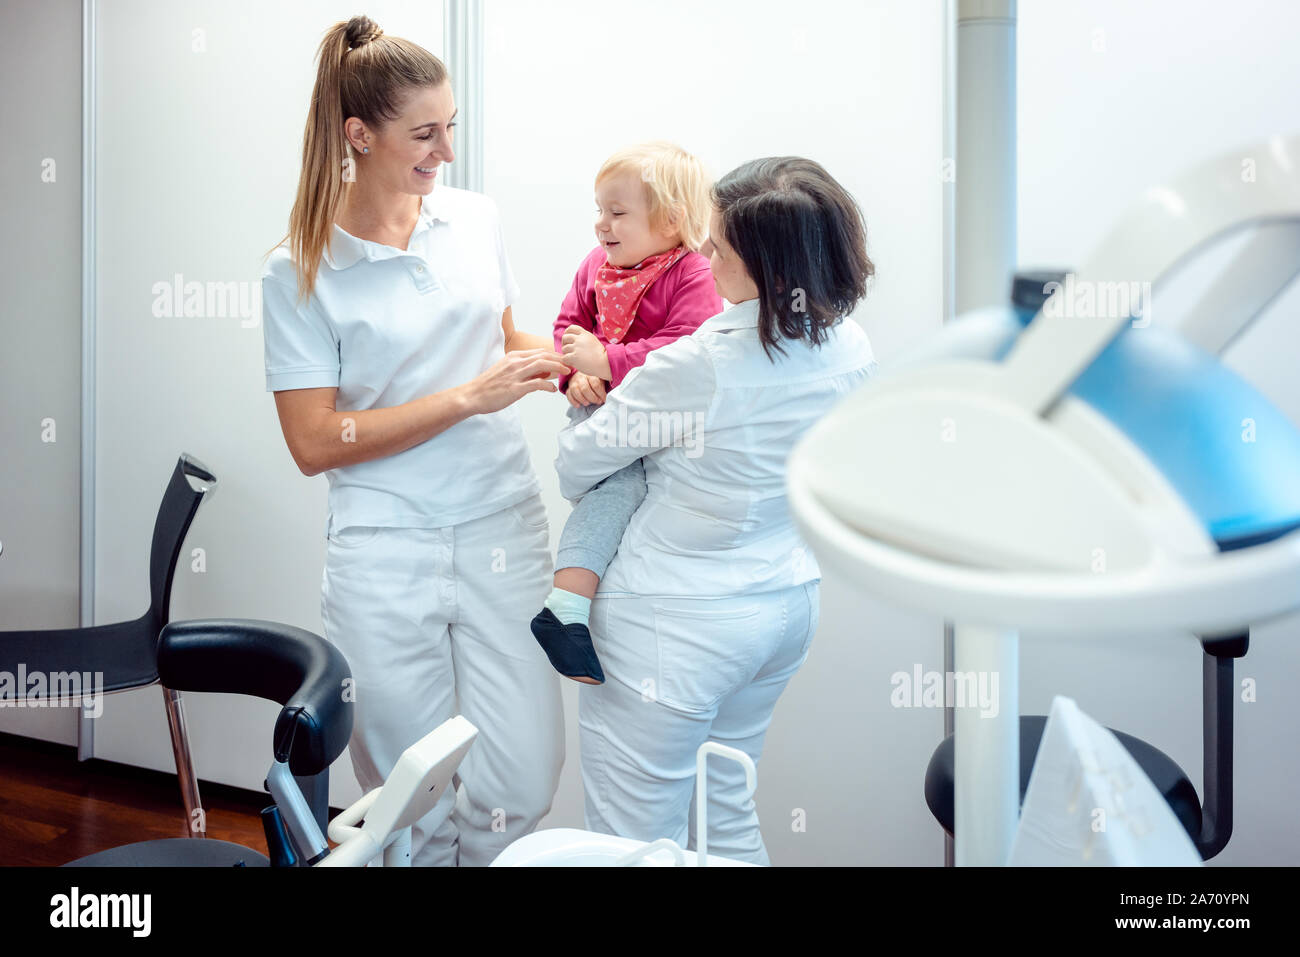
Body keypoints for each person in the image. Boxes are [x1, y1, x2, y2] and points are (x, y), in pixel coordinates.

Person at [260, 15, 567, 866]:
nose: (446, 152)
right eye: (424, 134)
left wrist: (589, 364)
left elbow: (505, 337)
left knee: (525, 779)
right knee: (411, 795)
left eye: (451, 128)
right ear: (359, 135)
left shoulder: (473, 220)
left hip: (501, 523)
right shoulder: (300, 269)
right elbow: (315, 440)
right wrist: (467, 397)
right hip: (384, 548)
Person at [555, 156, 879, 864]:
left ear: (767, 265)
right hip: (780, 613)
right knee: (725, 815)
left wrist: (587, 391)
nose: (702, 254)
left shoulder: (702, 363)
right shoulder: (850, 347)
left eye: (720, 247)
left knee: (635, 846)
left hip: (673, 630)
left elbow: (577, 468)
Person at [529, 141, 723, 684]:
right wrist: (578, 375)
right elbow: (569, 328)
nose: (601, 225)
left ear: (671, 219)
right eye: (599, 210)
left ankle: (576, 607)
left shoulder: (693, 274)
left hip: (660, 419)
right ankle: (566, 607)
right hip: (606, 417)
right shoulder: (597, 265)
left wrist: (609, 360)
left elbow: (688, 347)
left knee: (645, 503)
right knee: (614, 490)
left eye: (617, 213)